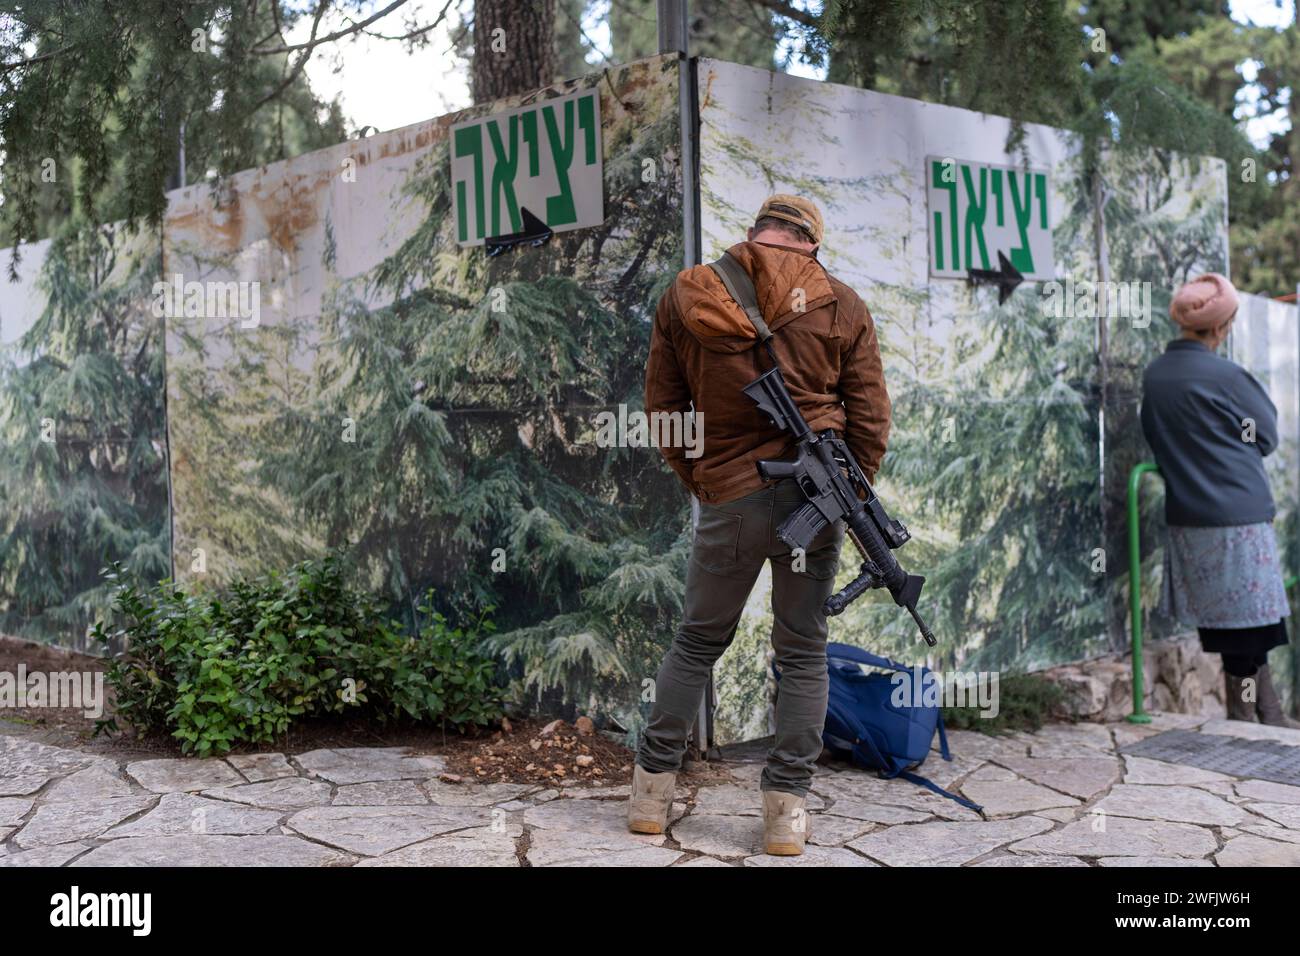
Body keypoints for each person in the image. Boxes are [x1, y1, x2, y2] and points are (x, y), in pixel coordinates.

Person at [628, 194, 891, 854]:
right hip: (818, 497)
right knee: (802, 650)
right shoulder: (842, 302)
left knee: (695, 642)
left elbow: (663, 410)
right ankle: (784, 819)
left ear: (755, 235)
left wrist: (706, 482)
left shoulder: (687, 295)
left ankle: (650, 800)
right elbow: (871, 419)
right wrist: (845, 494)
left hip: (729, 499)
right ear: (811, 244)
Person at [1139, 272, 1297, 728]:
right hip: (1241, 513)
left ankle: (1260, 711)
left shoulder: (1156, 376)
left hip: (1190, 517)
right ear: (1222, 327)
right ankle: (1251, 714)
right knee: (1253, 625)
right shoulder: (1226, 375)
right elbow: (1265, 435)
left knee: (1236, 625)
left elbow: (1155, 433)